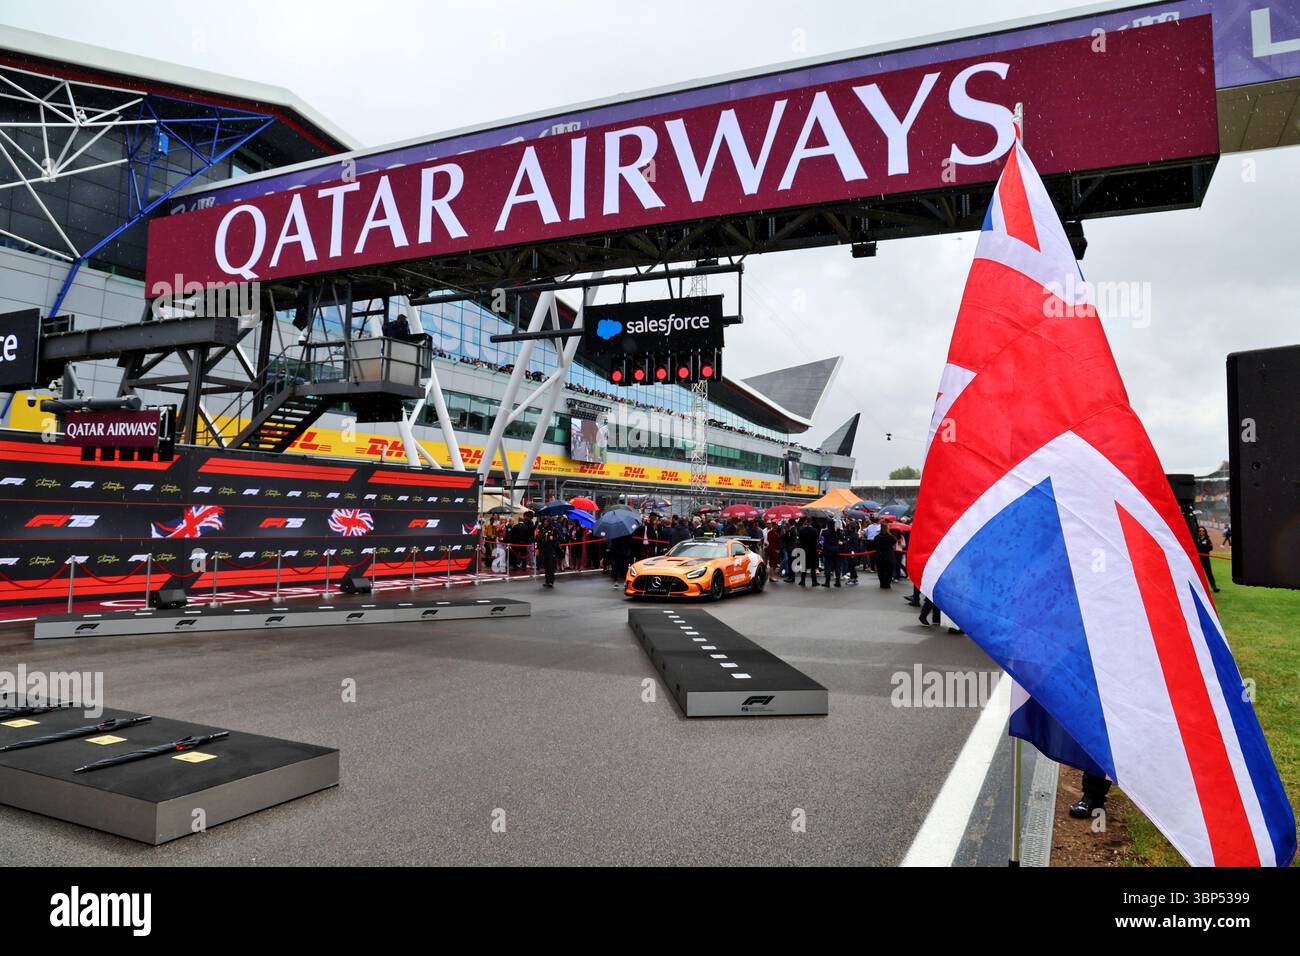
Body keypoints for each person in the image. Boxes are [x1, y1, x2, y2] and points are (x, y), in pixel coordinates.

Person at [1195, 526, 1221, 593]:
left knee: (1209, 573)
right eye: (1200, 531)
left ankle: (1214, 587)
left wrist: (1202, 546)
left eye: (1203, 531)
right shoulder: (1196, 539)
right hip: (1198, 559)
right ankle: (1198, 588)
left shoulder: (1207, 539)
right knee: (1197, 574)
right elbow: (1197, 547)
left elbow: (1210, 548)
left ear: (1205, 531)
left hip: (1206, 559)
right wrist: (1203, 546)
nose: (1201, 532)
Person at [537, 518, 560, 588]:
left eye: (546, 521)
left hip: (551, 550)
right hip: (544, 550)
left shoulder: (554, 529)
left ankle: (551, 581)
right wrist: (538, 548)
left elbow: (559, 539)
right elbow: (540, 540)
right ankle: (547, 581)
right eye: (544, 521)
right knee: (546, 566)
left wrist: (553, 538)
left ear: (549, 522)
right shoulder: (542, 529)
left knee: (551, 566)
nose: (545, 522)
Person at [872, 524, 896, 588]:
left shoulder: (877, 537)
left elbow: (874, 544)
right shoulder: (891, 537)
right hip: (889, 555)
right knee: (889, 570)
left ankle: (882, 583)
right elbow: (894, 542)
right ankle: (888, 583)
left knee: (880, 570)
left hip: (880, 555)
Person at [821, 522, 843, 588]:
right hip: (836, 550)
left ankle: (827, 583)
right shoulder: (837, 531)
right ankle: (838, 582)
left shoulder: (825, 531)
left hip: (827, 550)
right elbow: (841, 537)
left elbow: (822, 535)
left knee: (827, 567)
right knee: (837, 567)